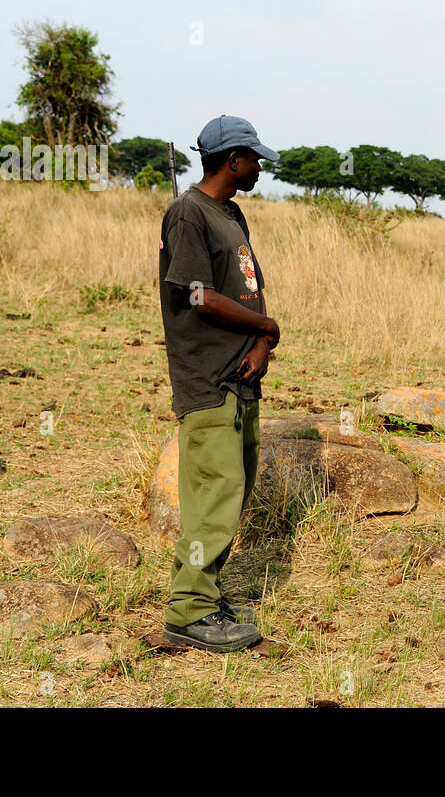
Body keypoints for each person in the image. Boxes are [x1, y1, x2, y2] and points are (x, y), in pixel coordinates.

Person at [157, 115, 280, 652]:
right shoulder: (188, 213)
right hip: (207, 380)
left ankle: (207, 595)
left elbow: (247, 289)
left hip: (241, 376)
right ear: (233, 160)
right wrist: (267, 328)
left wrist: (260, 344)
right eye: (254, 159)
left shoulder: (231, 214)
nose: (259, 167)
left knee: (234, 492)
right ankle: (189, 611)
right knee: (214, 498)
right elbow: (198, 295)